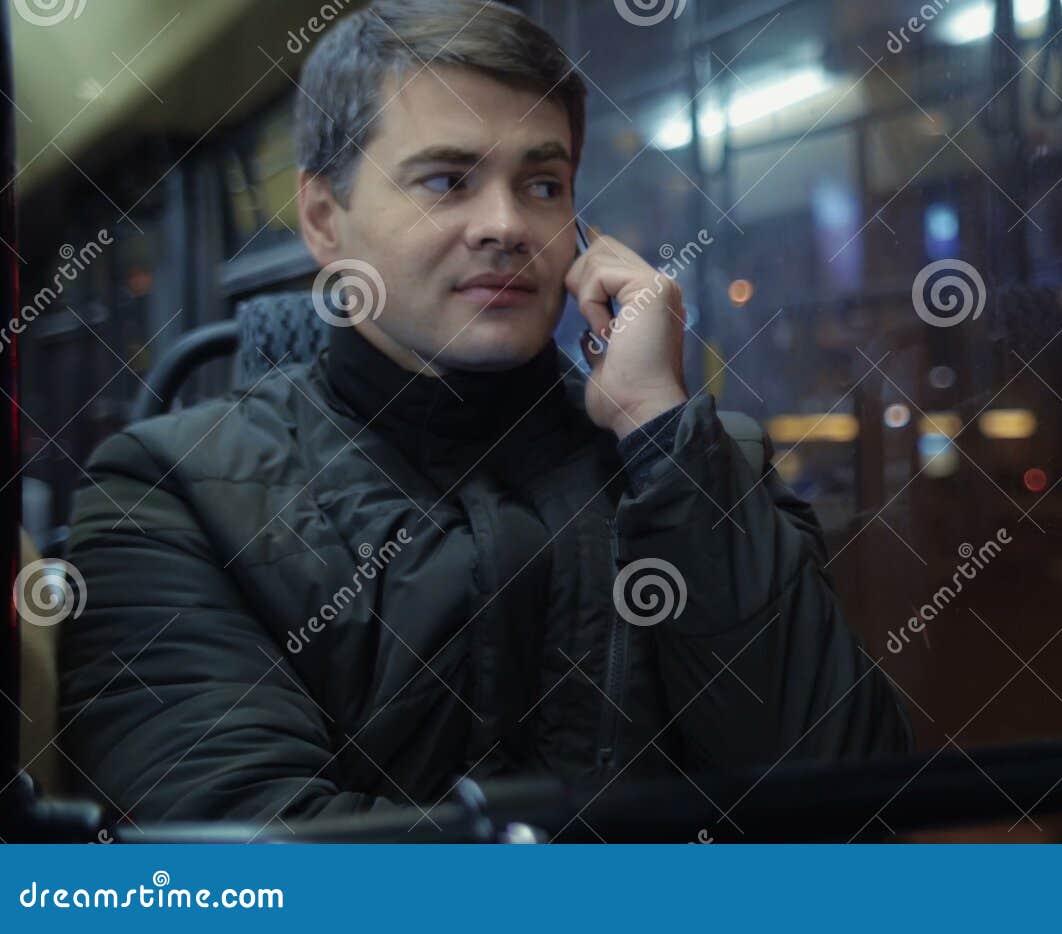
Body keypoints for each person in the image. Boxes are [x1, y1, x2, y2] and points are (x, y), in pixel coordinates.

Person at [56, 0, 910, 827]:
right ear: (324, 219)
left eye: (543, 184)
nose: (506, 225)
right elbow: (265, 871)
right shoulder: (166, 498)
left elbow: (847, 804)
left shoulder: (693, 467)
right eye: (445, 180)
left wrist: (655, 425)